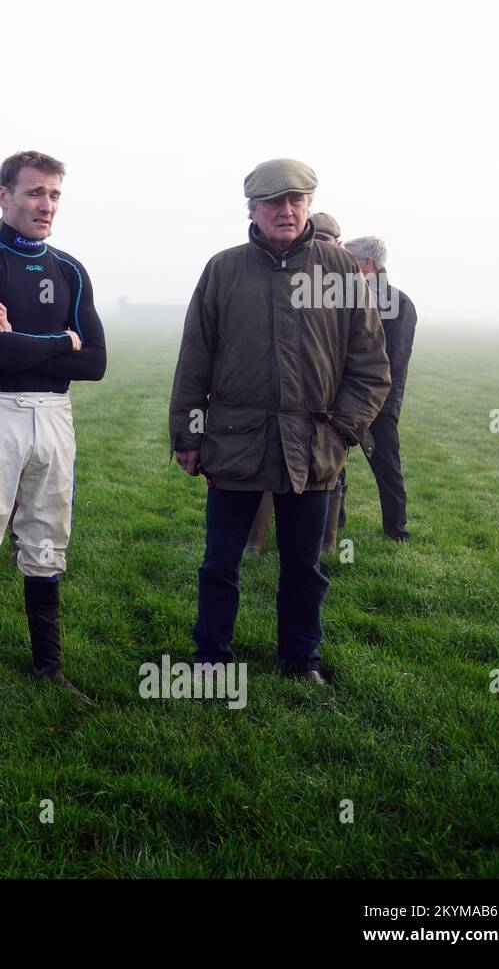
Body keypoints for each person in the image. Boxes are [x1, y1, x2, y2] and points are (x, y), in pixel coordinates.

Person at [168, 159, 389, 685]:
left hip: (312, 447)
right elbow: (194, 360)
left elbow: (371, 366)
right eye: (273, 203)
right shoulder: (223, 270)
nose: (285, 212)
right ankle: (211, 658)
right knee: (220, 563)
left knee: (304, 569)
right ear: (252, 209)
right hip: (234, 445)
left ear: (308, 205)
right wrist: (188, 434)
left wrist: (341, 429)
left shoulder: (339, 271)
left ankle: (301, 659)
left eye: (295, 201)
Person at [0, 150, 107, 721]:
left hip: (56, 416)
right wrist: (62, 342)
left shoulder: (71, 269)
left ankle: (49, 667)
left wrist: (31, 342)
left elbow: (98, 361)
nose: (45, 205)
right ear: (4, 196)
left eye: (54, 194)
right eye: (34, 193)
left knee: (48, 537)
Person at [248, 208, 347, 556]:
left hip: (329, 409)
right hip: (280, 402)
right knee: (272, 476)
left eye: (327, 240)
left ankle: (328, 544)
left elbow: (367, 357)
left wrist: (347, 421)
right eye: (316, 238)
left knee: (331, 478)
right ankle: (256, 543)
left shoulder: (346, 284)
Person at [343, 236, 417, 541]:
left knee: (386, 468)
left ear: (366, 263)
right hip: (341, 397)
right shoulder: (342, 297)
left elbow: (394, 360)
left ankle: (396, 532)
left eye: (348, 260)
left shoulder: (399, 304)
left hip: (380, 403)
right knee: (332, 466)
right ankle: (332, 526)